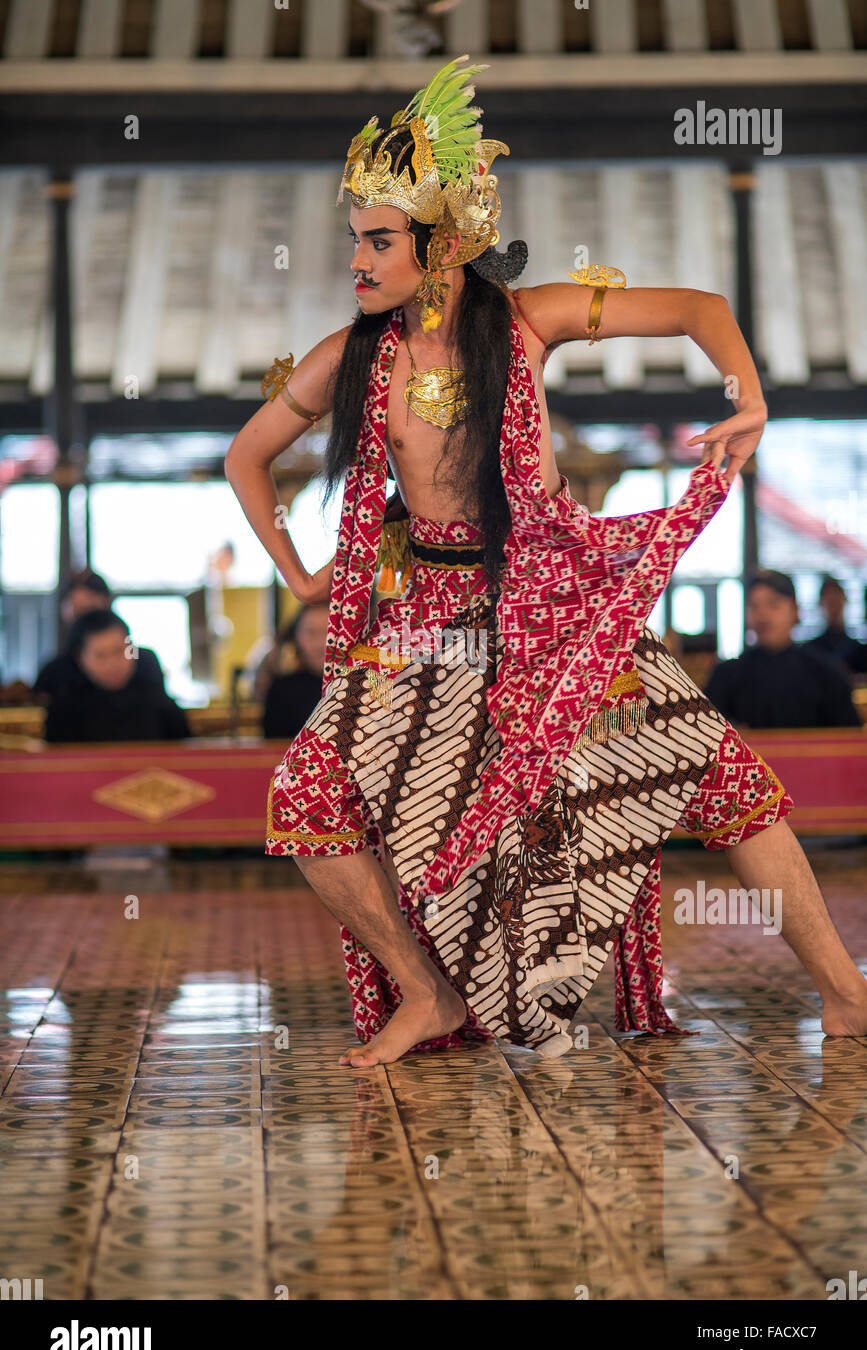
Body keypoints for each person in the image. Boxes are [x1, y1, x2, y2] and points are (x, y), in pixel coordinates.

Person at [225, 56, 867, 1065]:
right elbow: (246, 456)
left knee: (725, 780)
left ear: (444, 245)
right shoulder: (353, 356)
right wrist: (305, 576)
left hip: (552, 596)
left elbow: (702, 311)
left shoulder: (528, 324)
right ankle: (428, 991)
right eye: (356, 238)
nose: (357, 257)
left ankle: (844, 990)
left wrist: (749, 395)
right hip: (427, 619)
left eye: (378, 239)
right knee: (307, 796)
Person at [706, 571, 861, 729]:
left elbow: (849, 738)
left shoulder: (826, 672)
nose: (763, 615)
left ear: (795, 610)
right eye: (754, 606)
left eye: (773, 604)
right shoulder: (727, 675)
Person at [44, 610, 190, 743]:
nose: (112, 664)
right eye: (100, 656)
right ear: (80, 658)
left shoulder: (157, 700)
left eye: (119, 651)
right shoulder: (65, 709)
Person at [33, 569, 165, 702]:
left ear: (108, 604)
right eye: (78, 611)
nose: (111, 664)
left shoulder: (143, 662)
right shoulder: (54, 672)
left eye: (91, 610)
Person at [260, 603, 329, 740]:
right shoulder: (281, 690)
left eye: (328, 632)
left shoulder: (363, 684)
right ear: (296, 636)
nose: (320, 643)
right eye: (311, 632)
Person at [804, 575, 867, 676]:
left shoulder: (860, 650)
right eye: (830, 602)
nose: (834, 608)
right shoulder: (810, 650)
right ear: (821, 604)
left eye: (837, 601)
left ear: (845, 600)